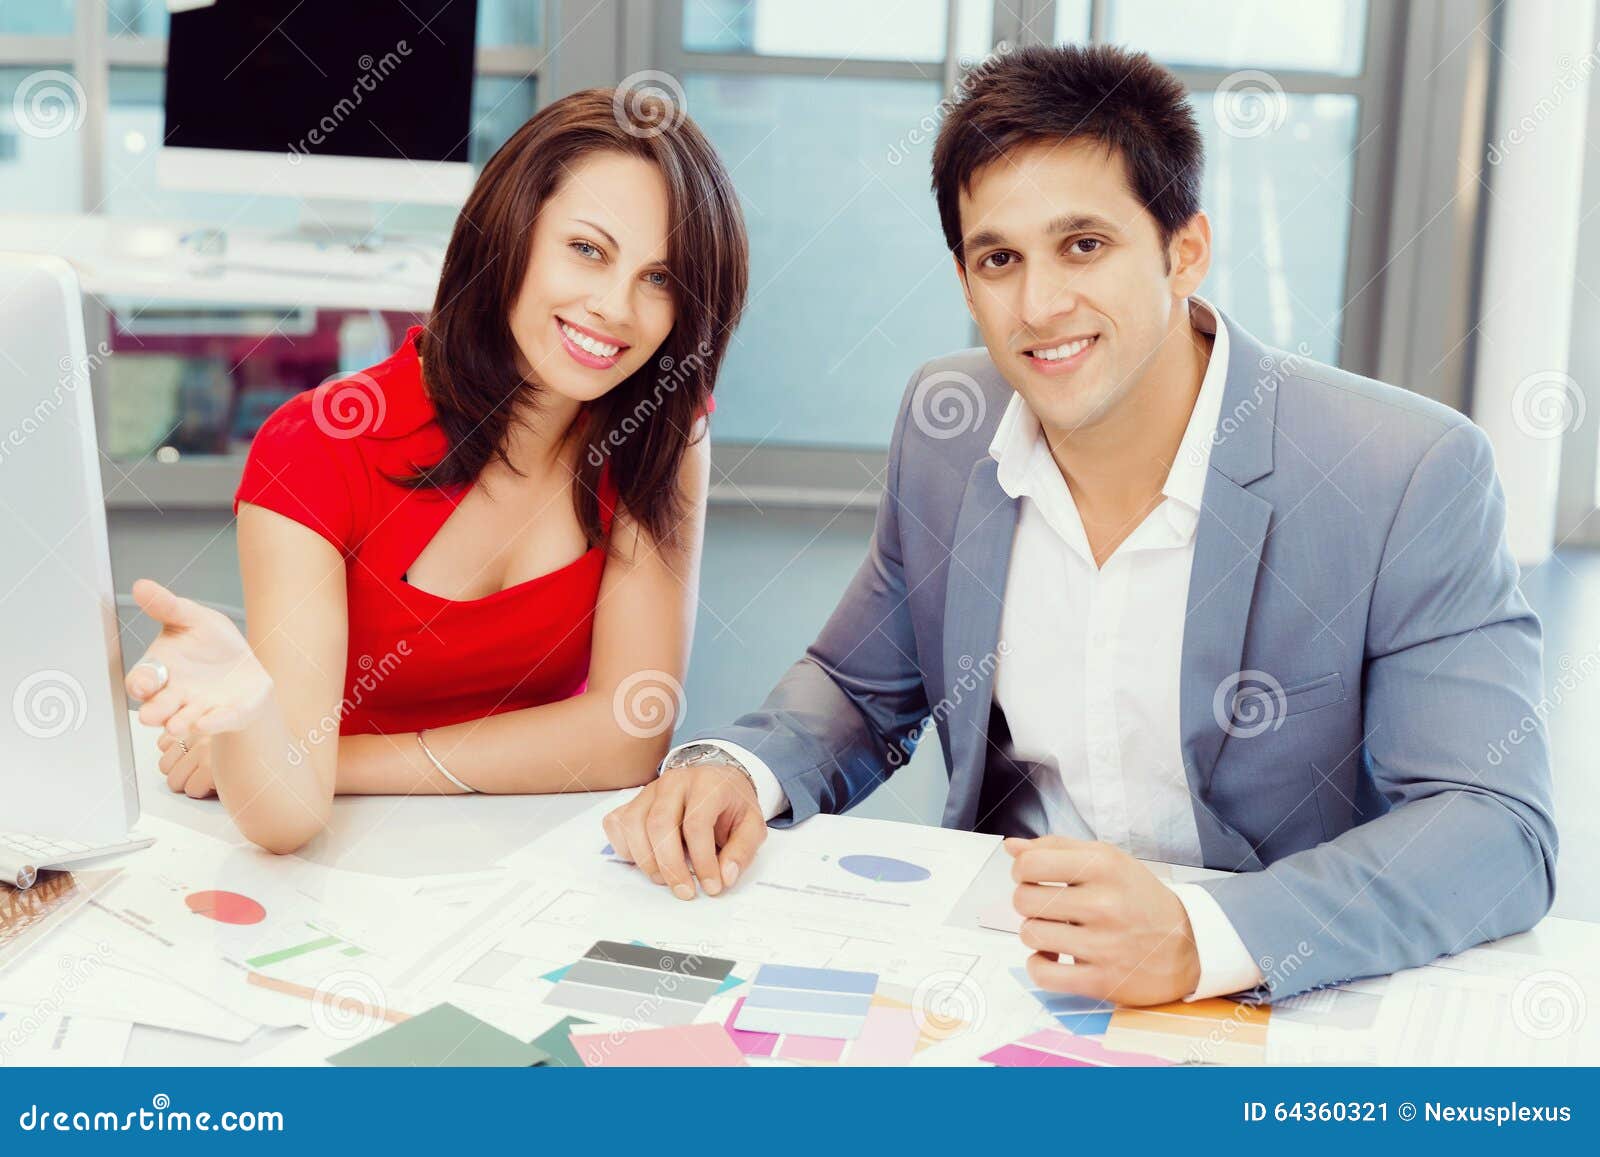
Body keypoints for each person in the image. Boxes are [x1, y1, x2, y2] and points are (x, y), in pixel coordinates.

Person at [603, 45, 1557, 1005]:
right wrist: (737, 767)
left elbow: (1492, 824)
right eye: (999, 259)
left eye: (1085, 245)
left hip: (1274, 986)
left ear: (1184, 249)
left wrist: (1206, 937)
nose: (1040, 305)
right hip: (1011, 973)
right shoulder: (949, 423)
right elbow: (859, 687)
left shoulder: (1403, 470)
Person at [123, 89, 748, 854]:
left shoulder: (663, 434)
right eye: (587, 249)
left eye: (661, 279)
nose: (615, 307)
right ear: (511, 234)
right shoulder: (317, 446)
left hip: (525, 857)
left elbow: (628, 733)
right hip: (342, 858)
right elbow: (287, 818)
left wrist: (331, 761)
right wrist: (255, 723)